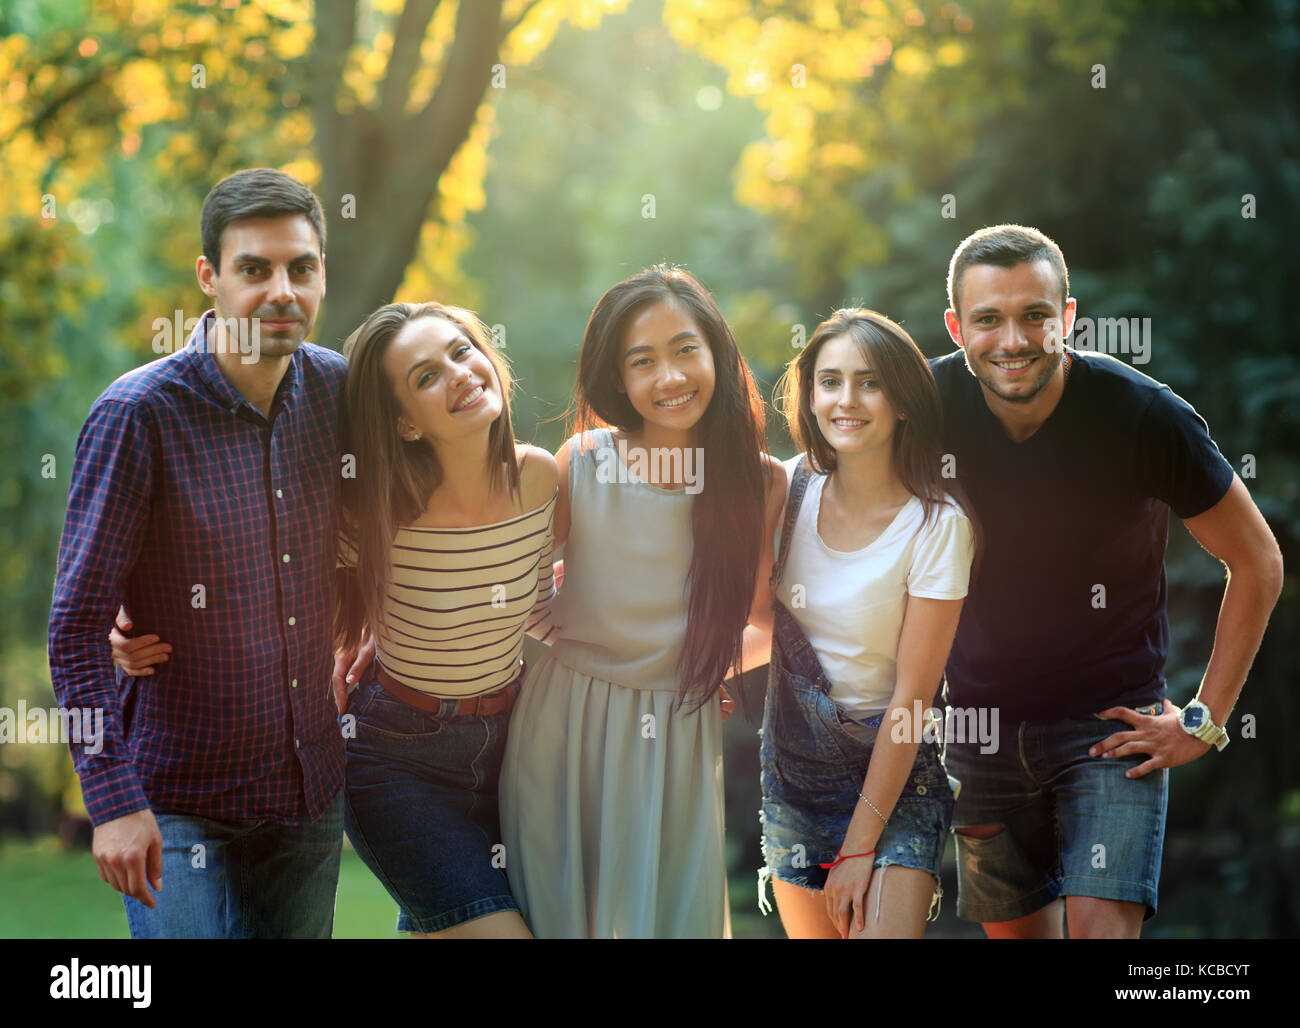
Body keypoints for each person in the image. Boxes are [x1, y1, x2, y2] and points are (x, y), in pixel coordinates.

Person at [933, 224, 1284, 938]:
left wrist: (1203, 721)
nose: (1013, 339)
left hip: (1110, 732)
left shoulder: (1146, 416)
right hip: (978, 730)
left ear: (1067, 317)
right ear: (956, 327)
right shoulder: (924, 406)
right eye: (988, 319)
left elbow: (1257, 561)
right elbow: (830, 504)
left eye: (1035, 315)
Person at [48, 168, 349, 938]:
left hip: (307, 798)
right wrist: (113, 803)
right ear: (209, 277)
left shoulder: (341, 395)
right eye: (255, 269)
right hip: (176, 802)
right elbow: (75, 628)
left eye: (301, 268)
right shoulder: (137, 414)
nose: (281, 290)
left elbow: (413, 507)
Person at [498, 265, 786, 938]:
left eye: (686, 349)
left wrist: (702, 669)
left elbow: (765, 624)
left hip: (674, 734)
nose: (670, 377)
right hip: (562, 724)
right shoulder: (583, 460)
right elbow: (519, 591)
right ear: (618, 379)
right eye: (643, 361)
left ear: (716, 350)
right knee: (557, 914)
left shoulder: (759, 481)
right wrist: (579, 638)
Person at [333, 301, 557, 938]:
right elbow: (275, 592)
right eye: (426, 376)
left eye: (461, 351)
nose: (458, 373)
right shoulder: (372, 515)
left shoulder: (539, 479)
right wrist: (134, 618)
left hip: (511, 753)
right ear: (403, 424)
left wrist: (668, 665)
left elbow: (541, 613)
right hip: (392, 758)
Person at [757, 309, 975, 939]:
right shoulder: (791, 486)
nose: (845, 400)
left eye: (869, 382)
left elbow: (912, 701)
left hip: (897, 778)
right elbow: (746, 615)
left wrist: (858, 849)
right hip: (794, 775)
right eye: (829, 382)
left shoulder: (937, 524)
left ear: (903, 400)